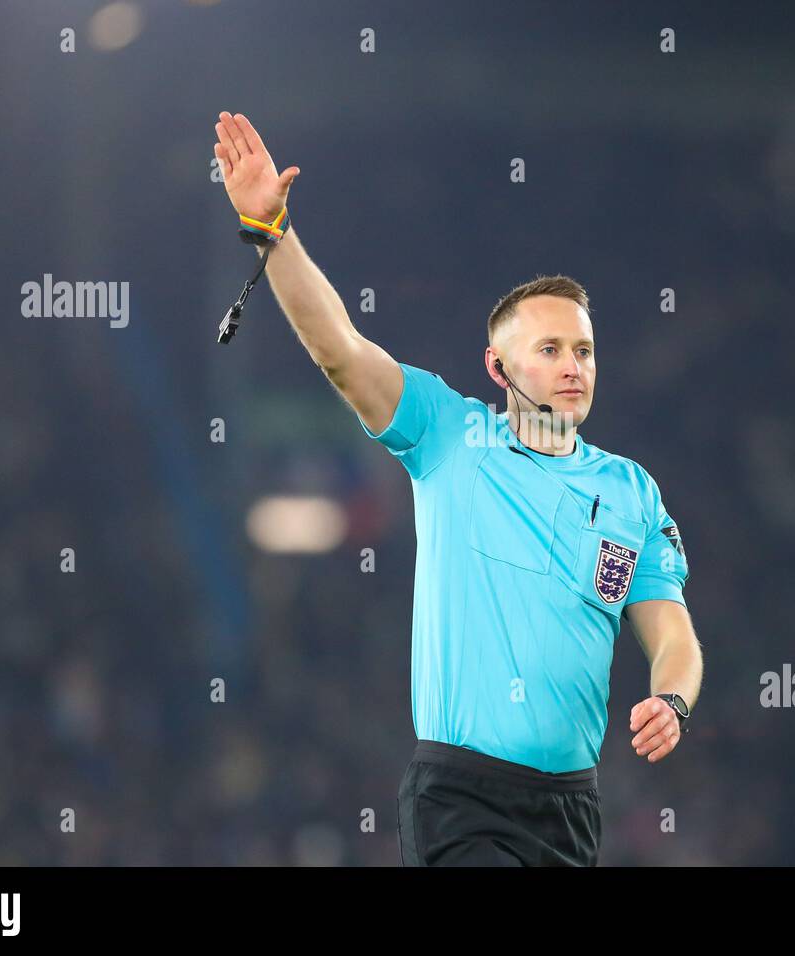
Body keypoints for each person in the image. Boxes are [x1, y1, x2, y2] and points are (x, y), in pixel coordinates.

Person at [213, 111, 703, 866]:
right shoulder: (448, 434)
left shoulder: (631, 491)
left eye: (584, 350)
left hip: (572, 807)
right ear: (497, 368)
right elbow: (341, 349)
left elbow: (673, 635)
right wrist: (271, 231)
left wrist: (671, 699)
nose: (574, 365)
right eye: (549, 349)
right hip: (463, 798)